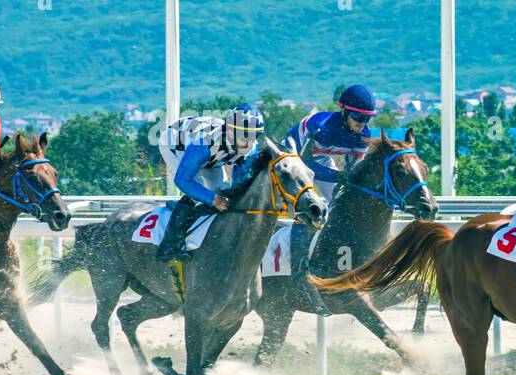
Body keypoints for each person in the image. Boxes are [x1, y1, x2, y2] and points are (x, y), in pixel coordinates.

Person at [155, 103, 264, 261]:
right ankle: (168, 246)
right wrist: (212, 199)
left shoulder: (250, 147)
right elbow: (182, 180)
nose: (249, 143)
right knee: (198, 192)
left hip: (212, 157)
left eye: (254, 135)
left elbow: (240, 183)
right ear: (232, 133)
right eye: (245, 136)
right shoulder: (205, 142)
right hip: (176, 145)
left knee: (223, 191)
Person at [286, 84, 376, 201]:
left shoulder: (363, 136)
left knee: (340, 201)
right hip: (290, 158)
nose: (362, 123)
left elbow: (352, 170)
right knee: (305, 202)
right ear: (344, 111)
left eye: (367, 118)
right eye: (358, 117)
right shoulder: (322, 128)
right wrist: (337, 176)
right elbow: (304, 166)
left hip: (319, 159)